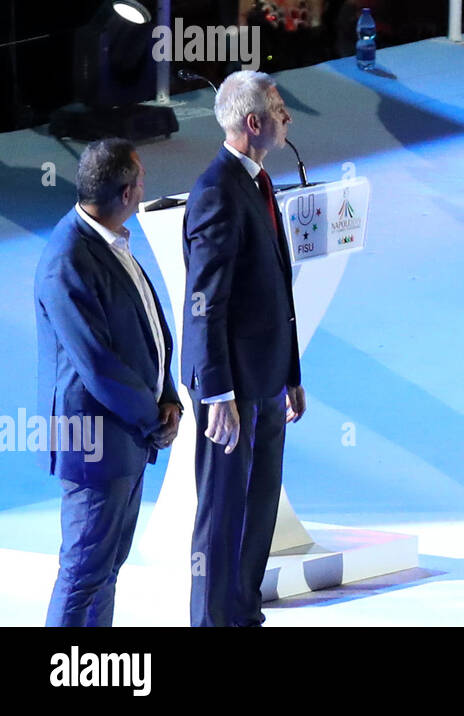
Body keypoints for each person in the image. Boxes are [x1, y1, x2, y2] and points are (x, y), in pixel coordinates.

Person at [36, 139, 182, 626]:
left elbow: (148, 321)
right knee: (83, 573)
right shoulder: (68, 259)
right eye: (140, 180)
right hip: (95, 443)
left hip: (126, 436)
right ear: (124, 192)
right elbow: (96, 364)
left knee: (107, 568)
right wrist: (152, 418)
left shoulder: (109, 239)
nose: (145, 188)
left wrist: (168, 398)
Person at [183, 70, 306, 626]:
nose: (288, 118)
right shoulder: (216, 192)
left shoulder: (260, 181)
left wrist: (292, 373)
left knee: (258, 510)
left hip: (268, 379)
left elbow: (278, 286)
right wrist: (218, 394)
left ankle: (243, 612)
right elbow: (204, 302)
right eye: (280, 110)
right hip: (231, 389)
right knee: (223, 512)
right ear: (253, 122)